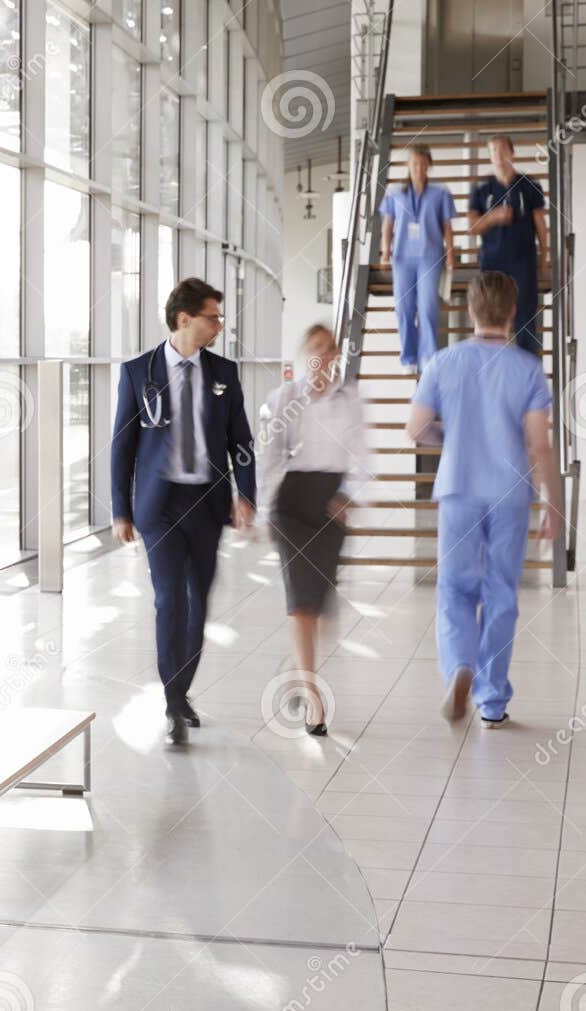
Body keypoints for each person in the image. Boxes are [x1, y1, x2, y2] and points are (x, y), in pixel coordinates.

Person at [406, 271, 560, 728]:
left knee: (454, 588)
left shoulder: (442, 362)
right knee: (501, 594)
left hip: (458, 487)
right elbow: (539, 445)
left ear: (470, 310)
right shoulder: (528, 369)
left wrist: (448, 439)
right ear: (513, 311)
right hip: (511, 492)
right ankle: (491, 701)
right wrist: (555, 505)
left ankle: (460, 667)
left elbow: (415, 429)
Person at [111, 278, 256, 747]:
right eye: (213, 316)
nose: (219, 325)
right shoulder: (139, 372)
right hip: (160, 506)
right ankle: (173, 703)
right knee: (168, 600)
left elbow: (241, 442)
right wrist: (120, 510)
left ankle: (181, 690)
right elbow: (123, 446)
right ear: (184, 319)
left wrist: (246, 495)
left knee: (198, 605)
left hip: (207, 503)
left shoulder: (224, 373)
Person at [260, 324, 368, 736]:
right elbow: (268, 457)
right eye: (315, 349)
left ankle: (297, 667)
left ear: (338, 354)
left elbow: (361, 455)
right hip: (291, 505)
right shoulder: (284, 398)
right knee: (301, 604)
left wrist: (349, 494)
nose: (323, 356)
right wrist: (260, 511)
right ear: (304, 353)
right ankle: (314, 701)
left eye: (329, 349)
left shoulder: (350, 401)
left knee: (319, 606)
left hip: (330, 505)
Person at [468, 135, 549, 356]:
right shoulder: (481, 189)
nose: (498, 156)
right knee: (489, 314)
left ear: (512, 153)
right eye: (493, 151)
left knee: (525, 314)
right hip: (492, 261)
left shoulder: (530, 185)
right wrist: (493, 217)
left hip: (523, 259)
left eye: (502, 150)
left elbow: (540, 223)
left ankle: (527, 365)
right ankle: (489, 361)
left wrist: (544, 256)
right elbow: (472, 227)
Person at [380, 144, 457, 373]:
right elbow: (388, 224)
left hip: (430, 257)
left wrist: (451, 253)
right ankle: (409, 356)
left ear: (429, 166)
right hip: (403, 258)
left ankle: (429, 355)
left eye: (423, 164)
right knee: (404, 308)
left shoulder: (440, 193)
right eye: (415, 163)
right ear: (408, 165)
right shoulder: (395, 193)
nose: (419, 168)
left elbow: (447, 226)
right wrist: (385, 251)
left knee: (428, 307)